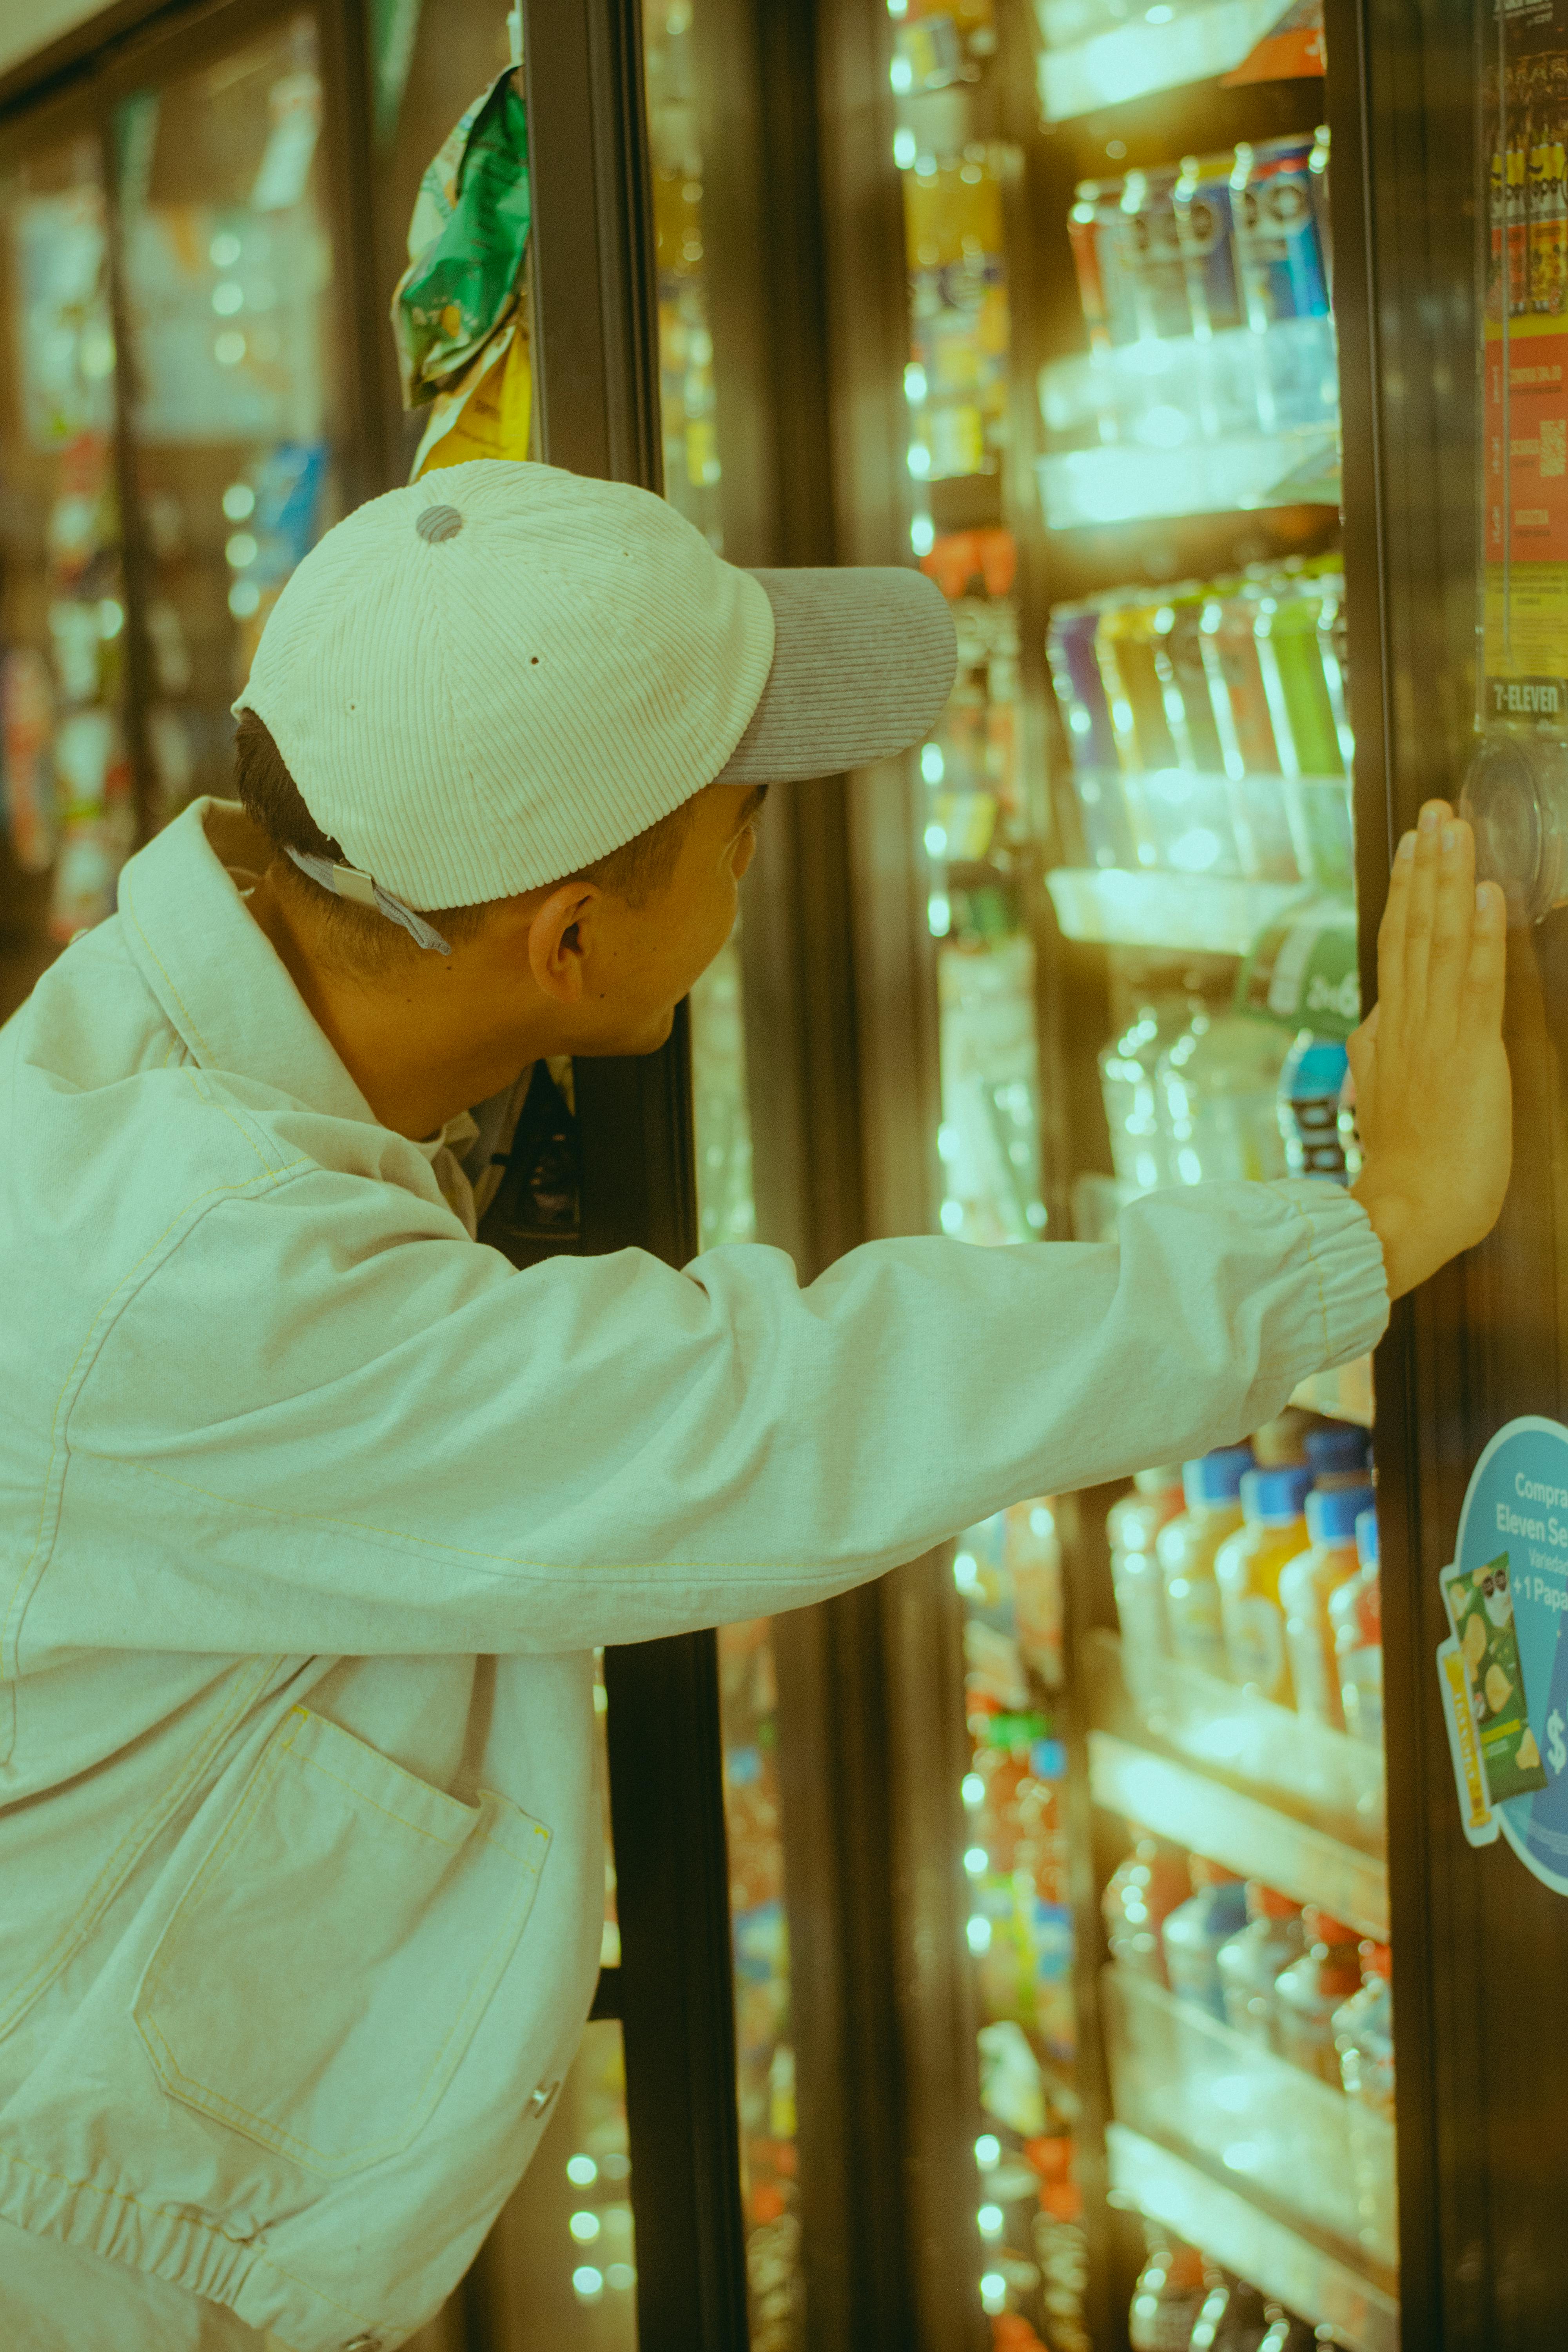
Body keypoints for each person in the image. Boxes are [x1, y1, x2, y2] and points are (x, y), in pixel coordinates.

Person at [0, 460, 1509, 2352]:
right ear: (567, 943)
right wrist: (1363, 1229)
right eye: (745, 821)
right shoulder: (196, 1273)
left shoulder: (174, 1043)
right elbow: (769, 1414)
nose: (763, 849)